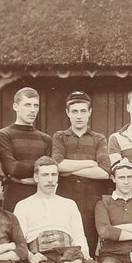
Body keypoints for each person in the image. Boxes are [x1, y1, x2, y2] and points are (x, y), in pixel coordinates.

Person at [13, 156, 102, 263]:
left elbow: (79, 235)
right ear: (36, 177)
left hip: (70, 253)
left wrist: (84, 251)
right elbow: (18, 239)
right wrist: (30, 255)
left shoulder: (69, 204)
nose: (50, 179)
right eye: (45, 175)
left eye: (54, 174)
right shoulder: (23, 205)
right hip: (43, 256)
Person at [51, 91, 111, 254]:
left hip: (91, 198)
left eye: (83, 111)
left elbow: (104, 172)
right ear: (67, 113)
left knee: (89, 241)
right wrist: (90, 163)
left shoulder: (99, 139)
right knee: (65, 239)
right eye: (75, 111)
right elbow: (57, 165)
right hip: (65, 195)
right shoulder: (60, 137)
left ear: (89, 112)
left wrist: (70, 170)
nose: (79, 116)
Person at [0, 86, 52, 212]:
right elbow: (12, 168)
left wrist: (32, 179)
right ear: (16, 107)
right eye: (27, 105)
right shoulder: (3, 135)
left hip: (40, 198)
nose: (32, 110)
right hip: (15, 197)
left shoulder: (46, 139)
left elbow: (50, 169)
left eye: (35, 106)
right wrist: (39, 175)